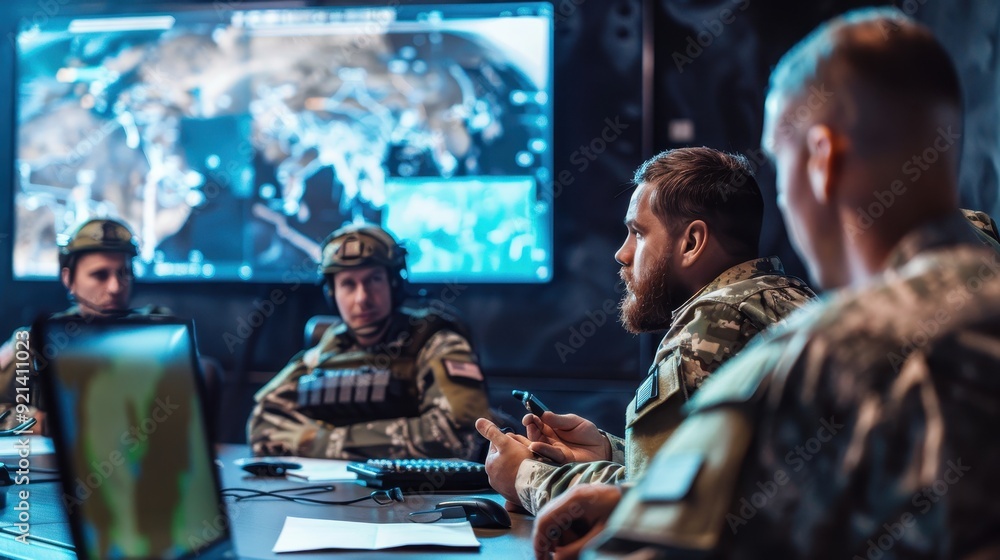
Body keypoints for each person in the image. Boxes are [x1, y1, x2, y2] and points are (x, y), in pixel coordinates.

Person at [533, 8, 1000, 560]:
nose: (783, 197)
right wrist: (635, 491)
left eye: (782, 164)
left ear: (823, 161)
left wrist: (540, 483)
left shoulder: (814, 360)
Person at [475, 147, 816, 514]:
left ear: (691, 243)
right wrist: (610, 453)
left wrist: (526, 476)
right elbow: (715, 475)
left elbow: (654, 509)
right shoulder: (793, 299)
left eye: (638, 233)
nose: (622, 254)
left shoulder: (713, 323)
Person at [248, 223, 491, 460]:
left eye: (373, 280)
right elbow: (261, 424)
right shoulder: (324, 352)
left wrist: (320, 441)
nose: (362, 298)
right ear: (332, 293)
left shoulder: (435, 343)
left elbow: (459, 436)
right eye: (348, 284)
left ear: (394, 283)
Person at [0, 217, 171, 429]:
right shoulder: (33, 343)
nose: (115, 287)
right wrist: (40, 422)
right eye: (100, 275)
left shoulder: (162, 332)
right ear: (68, 279)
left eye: (124, 273)